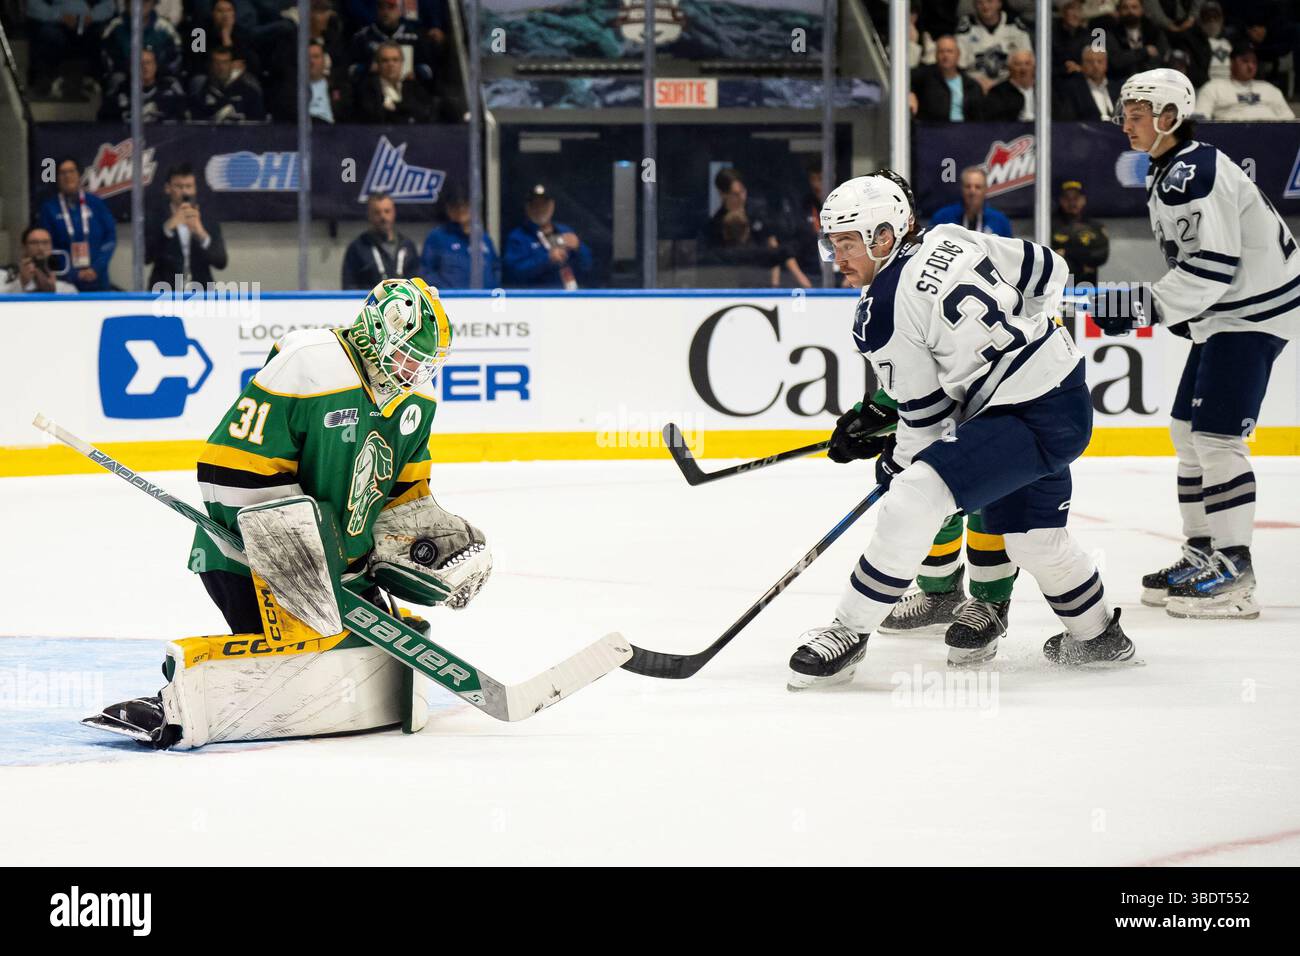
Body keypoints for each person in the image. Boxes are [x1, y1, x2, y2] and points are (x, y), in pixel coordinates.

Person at [82, 278, 494, 749]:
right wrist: (291, 554)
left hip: (344, 573)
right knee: (292, 662)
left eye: (425, 364)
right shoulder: (310, 363)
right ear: (376, 332)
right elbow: (230, 466)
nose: (414, 373)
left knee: (368, 649)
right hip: (249, 562)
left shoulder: (417, 402)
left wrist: (427, 545)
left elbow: (403, 495)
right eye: (407, 356)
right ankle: (169, 705)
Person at [787, 171, 1131, 690]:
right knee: (1033, 539)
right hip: (1065, 396)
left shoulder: (881, 310)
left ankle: (849, 630)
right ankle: (1100, 637)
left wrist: (894, 467)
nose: (838, 257)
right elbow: (1049, 269)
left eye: (847, 243)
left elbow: (927, 424)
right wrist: (1028, 339)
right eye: (832, 243)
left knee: (914, 497)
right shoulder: (951, 238)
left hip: (1022, 414)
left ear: (884, 235)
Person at [1095, 68, 1296, 619]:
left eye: (1137, 114)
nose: (1126, 123)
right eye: (1125, 113)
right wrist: (1174, 307)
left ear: (1169, 116)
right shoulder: (1173, 168)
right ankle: (1203, 552)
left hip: (1252, 312)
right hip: (1228, 312)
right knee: (1187, 432)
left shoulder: (1192, 172)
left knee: (1216, 438)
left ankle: (1234, 571)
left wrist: (1144, 306)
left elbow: (1212, 265)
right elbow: (1202, 267)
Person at [827, 169, 1021, 659]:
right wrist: (872, 413)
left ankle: (991, 603)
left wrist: (896, 439)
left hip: (1000, 394)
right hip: (961, 394)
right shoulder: (904, 269)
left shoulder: (944, 249)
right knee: (935, 491)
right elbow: (919, 368)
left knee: (978, 497)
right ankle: (939, 594)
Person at [37, 158, 116, 292]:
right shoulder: (49, 209)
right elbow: (47, 247)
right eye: (62, 173)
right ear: (57, 178)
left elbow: (110, 238)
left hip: (98, 279)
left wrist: (96, 268)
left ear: (79, 175)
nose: (67, 176)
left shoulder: (96, 203)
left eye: (71, 171)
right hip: (65, 281)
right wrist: (73, 273)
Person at [146, 164, 228, 291]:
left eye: (188, 186)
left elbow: (221, 262)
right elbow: (146, 257)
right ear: (168, 188)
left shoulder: (206, 216)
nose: (184, 191)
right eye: (179, 186)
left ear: (195, 189)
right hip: (164, 291)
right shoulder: (155, 216)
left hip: (201, 292)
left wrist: (201, 234)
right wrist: (168, 228)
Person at [503, 184, 593, 289]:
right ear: (527, 208)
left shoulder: (565, 231)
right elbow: (513, 273)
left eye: (544, 204)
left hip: (566, 296)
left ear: (552, 206)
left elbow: (587, 266)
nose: (539, 209)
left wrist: (579, 247)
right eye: (534, 205)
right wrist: (547, 259)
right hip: (533, 298)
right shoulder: (518, 237)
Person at [25, 0, 115, 98]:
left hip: (87, 23)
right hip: (55, 23)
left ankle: (93, 79)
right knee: (49, 35)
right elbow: (33, 5)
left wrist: (92, 17)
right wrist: (59, 16)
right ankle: (49, 82)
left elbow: (108, 4)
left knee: (103, 34)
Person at [421, 188, 501, 289]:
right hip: (450, 301)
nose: (461, 209)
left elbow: (496, 269)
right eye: (455, 205)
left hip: (485, 300)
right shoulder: (437, 237)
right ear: (448, 209)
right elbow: (426, 272)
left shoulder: (483, 238)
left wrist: (491, 289)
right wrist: (447, 293)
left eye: (465, 204)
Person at [1195, 42, 1294, 121]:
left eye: (1254, 62)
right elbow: (1199, 120)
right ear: (1232, 62)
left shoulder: (1269, 89)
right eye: (1245, 61)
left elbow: (1290, 121)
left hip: (1271, 139)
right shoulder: (1213, 88)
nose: (1251, 66)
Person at [342, 193, 421, 290]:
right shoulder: (358, 248)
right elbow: (349, 286)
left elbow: (417, 282)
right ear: (369, 215)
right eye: (377, 212)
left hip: (402, 301)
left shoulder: (407, 246)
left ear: (394, 212)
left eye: (387, 211)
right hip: (370, 302)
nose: (383, 217)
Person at [956, 0, 1033, 95]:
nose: (985, 6)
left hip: (1010, 88)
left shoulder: (1015, 26)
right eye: (980, 2)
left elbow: (1027, 64)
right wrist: (977, 83)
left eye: (990, 1)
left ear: (999, 3)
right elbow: (959, 67)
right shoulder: (966, 29)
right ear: (974, 5)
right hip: (976, 88)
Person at [272, 38, 353, 123]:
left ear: (324, 60)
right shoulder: (290, 89)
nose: (311, 61)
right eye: (307, 57)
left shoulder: (339, 86)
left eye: (316, 57)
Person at [97, 47, 187, 123]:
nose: (144, 67)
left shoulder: (170, 88)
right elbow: (103, 118)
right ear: (131, 68)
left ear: (155, 66)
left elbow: (185, 115)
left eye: (148, 63)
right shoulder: (121, 90)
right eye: (140, 63)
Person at [910, 34, 984, 122]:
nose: (945, 56)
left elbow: (979, 118)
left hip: (965, 131)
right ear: (936, 55)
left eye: (950, 51)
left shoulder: (972, 85)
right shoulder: (924, 77)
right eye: (941, 51)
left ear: (958, 54)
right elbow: (903, 79)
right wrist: (909, 92)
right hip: (933, 131)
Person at [356, 41, 434, 123]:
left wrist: (395, 108)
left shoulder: (413, 87)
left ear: (402, 63)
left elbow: (423, 113)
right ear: (377, 64)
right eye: (385, 60)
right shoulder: (368, 89)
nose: (391, 64)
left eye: (395, 60)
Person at [1051, 180, 1110, 285]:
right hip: (1060, 286)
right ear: (1061, 200)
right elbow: (1050, 256)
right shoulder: (1050, 226)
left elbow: (1101, 255)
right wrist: (1084, 262)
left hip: (1088, 286)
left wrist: (1067, 253)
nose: (1072, 203)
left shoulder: (1095, 226)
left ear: (1083, 200)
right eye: (1067, 199)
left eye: (1076, 198)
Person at [189, 44, 267, 122]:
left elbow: (258, 123)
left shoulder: (248, 92)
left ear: (231, 65)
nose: (221, 68)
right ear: (209, 65)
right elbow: (195, 123)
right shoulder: (200, 92)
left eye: (225, 62)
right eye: (216, 63)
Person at [929, 166, 1013, 238]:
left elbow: (1010, 253)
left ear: (985, 189)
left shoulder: (1000, 221)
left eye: (978, 187)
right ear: (962, 189)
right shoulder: (942, 218)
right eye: (968, 186)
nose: (972, 192)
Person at [1096, 0, 1169, 80]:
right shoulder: (1111, 33)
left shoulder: (1154, 31)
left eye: (1134, 7)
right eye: (1125, 8)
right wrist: (1144, 52)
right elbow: (1116, 61)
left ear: (1142, 10)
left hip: (1152, 79)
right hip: (1122, 81)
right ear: (1119, 10)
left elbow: (1163, 56)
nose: (1130, 11)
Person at [0, 227, 78, 294]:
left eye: (45, 242)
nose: (40, 248)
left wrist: (52, 293)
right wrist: (21, 283)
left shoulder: (67, 288)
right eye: (34, 243)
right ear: (24, 247)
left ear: (51, 247)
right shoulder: (4, 278)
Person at [1055, 47, 1122, 121]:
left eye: (1099, 61)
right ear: (1082, 64)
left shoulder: (1118, 89)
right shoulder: (1073, 90)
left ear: (1106, 64)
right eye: (1090, 62)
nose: (1095, 66)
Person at [981, 47, 1037, 121]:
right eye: (1018, 64)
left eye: (1027, 64)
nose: (1023, 69)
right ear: (1009, 68)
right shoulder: (997, 93)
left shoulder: (1046, 91)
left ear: (1034, 68)